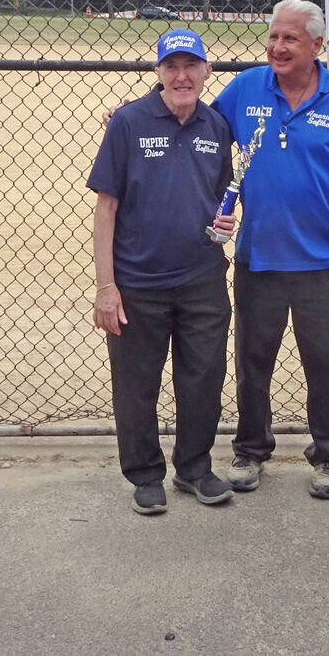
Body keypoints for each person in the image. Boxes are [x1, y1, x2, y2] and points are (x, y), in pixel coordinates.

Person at [212, 0, 329, 499]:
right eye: (274, 36)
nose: (277, 46)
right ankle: (251, 450)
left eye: (290, 38)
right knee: (253, 361)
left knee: (326, 363)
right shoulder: (247, 88)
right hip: (259, 258)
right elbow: (198, 132)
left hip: (325, 262)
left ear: (317, 45)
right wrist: (138, 114)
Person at [88, 28, 237, 515]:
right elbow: (105, 208)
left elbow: (219, 194)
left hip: (202, 280)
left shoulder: (217, 126)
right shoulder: (128, 123)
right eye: (171, 66)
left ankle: (194, 468)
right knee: (136, 385)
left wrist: (224, 221)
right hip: (138, 284)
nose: (181, 76)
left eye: (190, 66)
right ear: (157, 73)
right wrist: (106, 288)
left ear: (206, 72)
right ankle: (145, 474)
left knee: (203, 380)